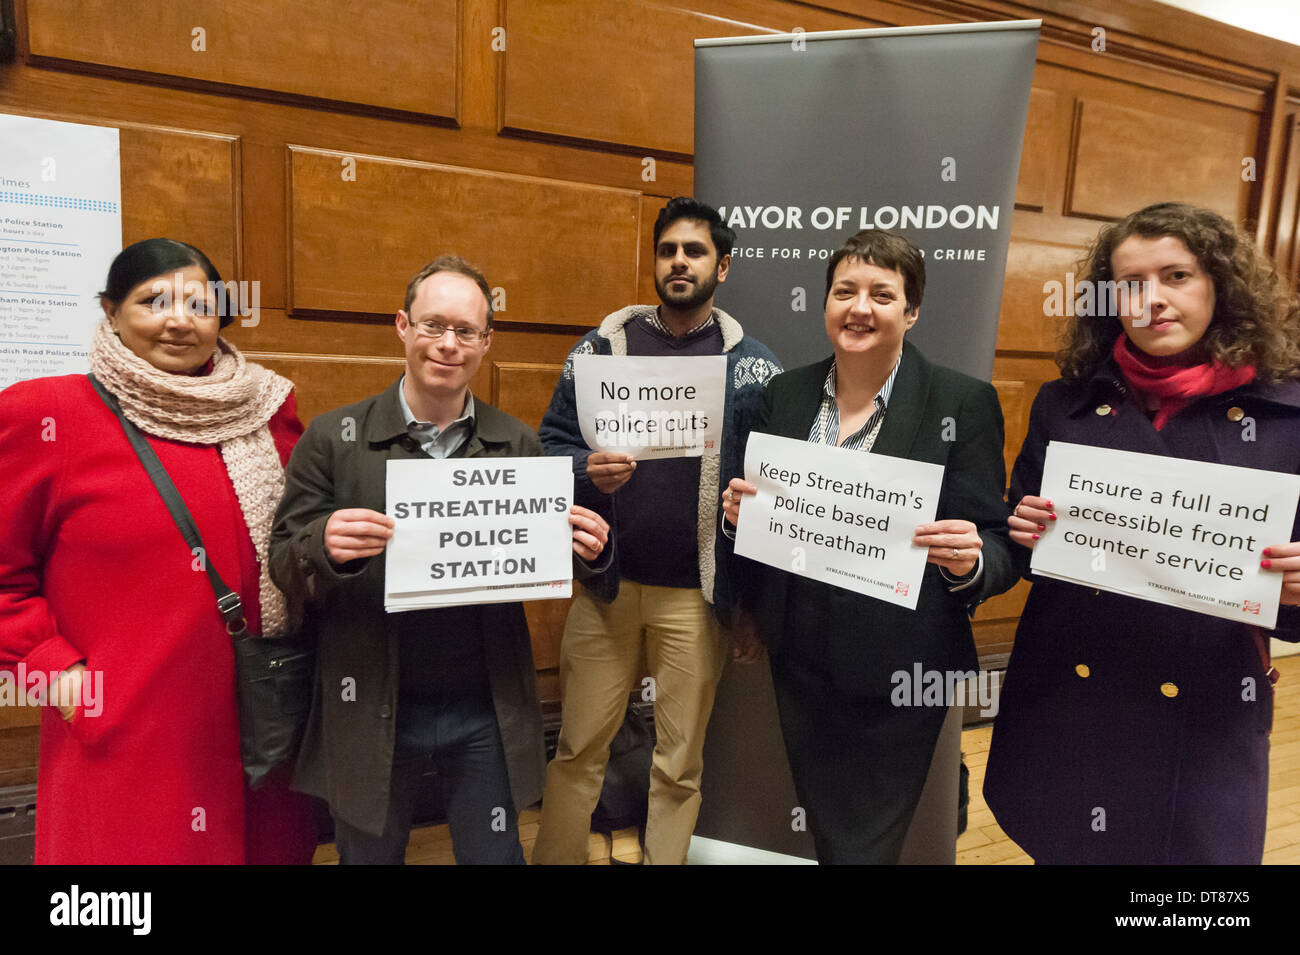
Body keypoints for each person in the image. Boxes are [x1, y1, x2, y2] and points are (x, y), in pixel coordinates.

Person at [984, 202, 1300, 864]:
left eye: (1176, 275)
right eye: (1130, 283)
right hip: (1071, 698)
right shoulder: (1062, 402)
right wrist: (1024, 529)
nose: (1151, 300)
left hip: (1205, 709)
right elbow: (1026, 544)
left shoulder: (1286, 417)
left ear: (1220, 283)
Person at [268, 254, 610, 865]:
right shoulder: (333, 438)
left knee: (496, 856)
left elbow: (540, 555)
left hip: (484, 706)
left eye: (466, 331)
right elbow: (283, 566)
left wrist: (589, 552)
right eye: (432, 325)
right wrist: (323, 546)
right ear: (403, 326)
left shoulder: (518, 443)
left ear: (486, 343)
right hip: (370, 704)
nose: (448, 344)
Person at [0, 238, 318, 864]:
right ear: (110, 310)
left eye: (199, 303)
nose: (179, 319)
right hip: (127, 736)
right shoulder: (45, 414)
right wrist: (63, 682)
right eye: (154, 301)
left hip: (262, 723)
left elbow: (297, 544)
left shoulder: (270, 413)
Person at [720, 228, 1017, 864]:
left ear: (911, 312)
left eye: (882, 294)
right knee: (829, 831)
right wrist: (737, 518)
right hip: (799, 661)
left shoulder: (961, 402)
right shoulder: (787, 394)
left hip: (900, 673)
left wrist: (972, 562)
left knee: (865, 846)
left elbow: (996, 543)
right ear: (825, 303)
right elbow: (767, 521)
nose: (859, 307)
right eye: (845, 291)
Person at [532, 196, 781, 865]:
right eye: (668, 250)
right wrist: (587, 469)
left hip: (696, 601)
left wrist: (751, 599)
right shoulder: (601, 348)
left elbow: (776, 489)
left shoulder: (754, 366)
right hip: (606, 590)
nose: (679, 262)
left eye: (694, 251)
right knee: (578, 747)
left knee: (678, 762)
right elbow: (548, 445)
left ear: (722, 266)